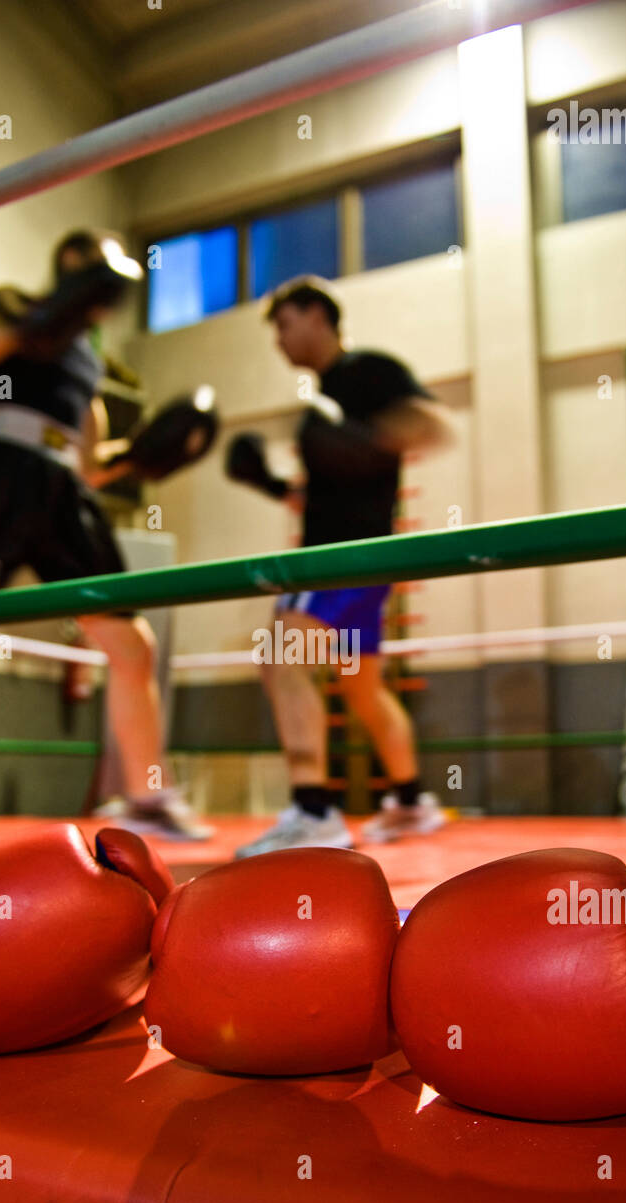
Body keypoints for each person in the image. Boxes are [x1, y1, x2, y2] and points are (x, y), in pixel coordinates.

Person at [0, 228, 211, 841]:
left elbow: (87, 459)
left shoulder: (87, 358)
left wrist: (144, 454)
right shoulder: (8, 303)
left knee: (131, 645)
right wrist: (42, 319)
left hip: (65, 495)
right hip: (2, 472)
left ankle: (147, 798)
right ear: (70, 263)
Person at [226, 276, 455, 855]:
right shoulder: (325, 395)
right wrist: (274, 484)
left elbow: (434, 426)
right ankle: (408, 800)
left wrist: (365, 437)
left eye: (284, 325)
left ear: (315, 315)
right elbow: (328, 488)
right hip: (367, 560)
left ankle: (313, 812)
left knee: (284, 657)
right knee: (362, 689)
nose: (279, 341)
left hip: (340, 559)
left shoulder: (365, 371)